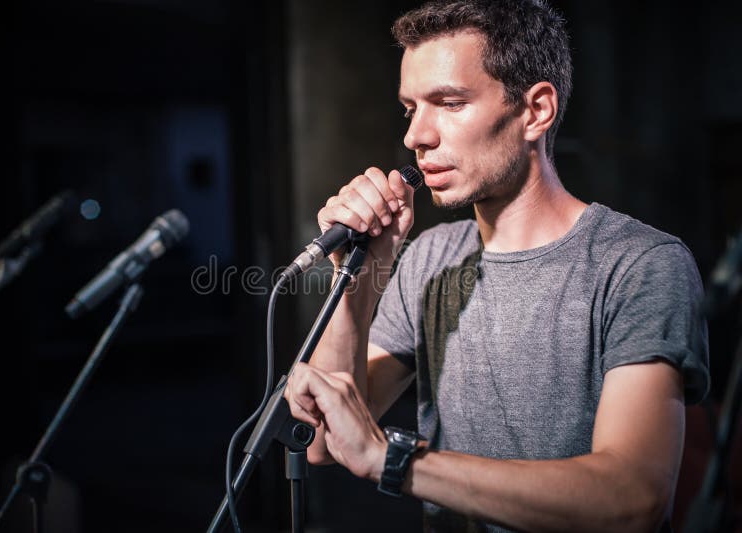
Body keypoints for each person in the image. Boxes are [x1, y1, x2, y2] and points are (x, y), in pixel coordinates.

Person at [283, 0, 710, 531]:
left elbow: (631, 499)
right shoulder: (431, 259)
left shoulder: (639, 265)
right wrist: (361, 272)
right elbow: (323, 440)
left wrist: (394, 460)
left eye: (450, 102)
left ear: (536, 111)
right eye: (411, 108)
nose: (417, 135)